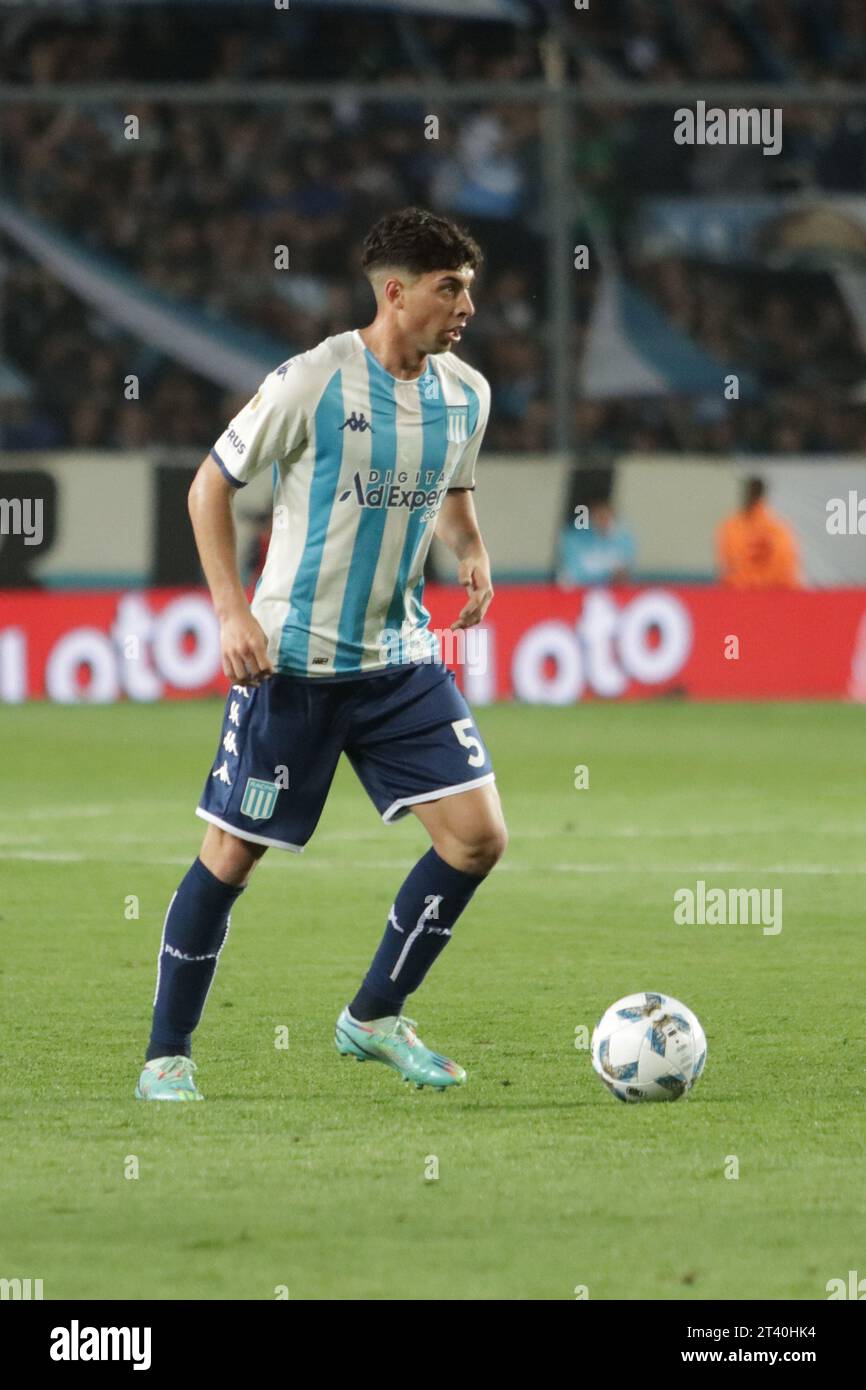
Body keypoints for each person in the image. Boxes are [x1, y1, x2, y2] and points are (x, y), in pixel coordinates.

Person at [135, 207, 507, 1101]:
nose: (466, 307)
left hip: (400, 661)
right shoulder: (312, 381)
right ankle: (167, 1056)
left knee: (477, 840)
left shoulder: (468, 393)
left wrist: (470, 547)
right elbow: (207, 488)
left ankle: (374, 1016)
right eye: (448, 289)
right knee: (231, 858)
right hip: (292, 666)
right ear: (395, 292)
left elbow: (452, 485)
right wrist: (232, 613)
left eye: (469, 289)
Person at [716, 477, 802, 588]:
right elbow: (786, 566)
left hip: (744, 593)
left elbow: (729, 564)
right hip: (769, 594)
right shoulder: (779, 529)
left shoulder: (732, 527)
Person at [556, 498, 636, 588]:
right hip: (579, 593)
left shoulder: (623, 539)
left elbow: (626, 571)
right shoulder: (574, 538)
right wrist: (607, 575)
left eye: (606, 516)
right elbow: (573, 573)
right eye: (598, 516)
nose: (603, 522)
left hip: (612, 593)